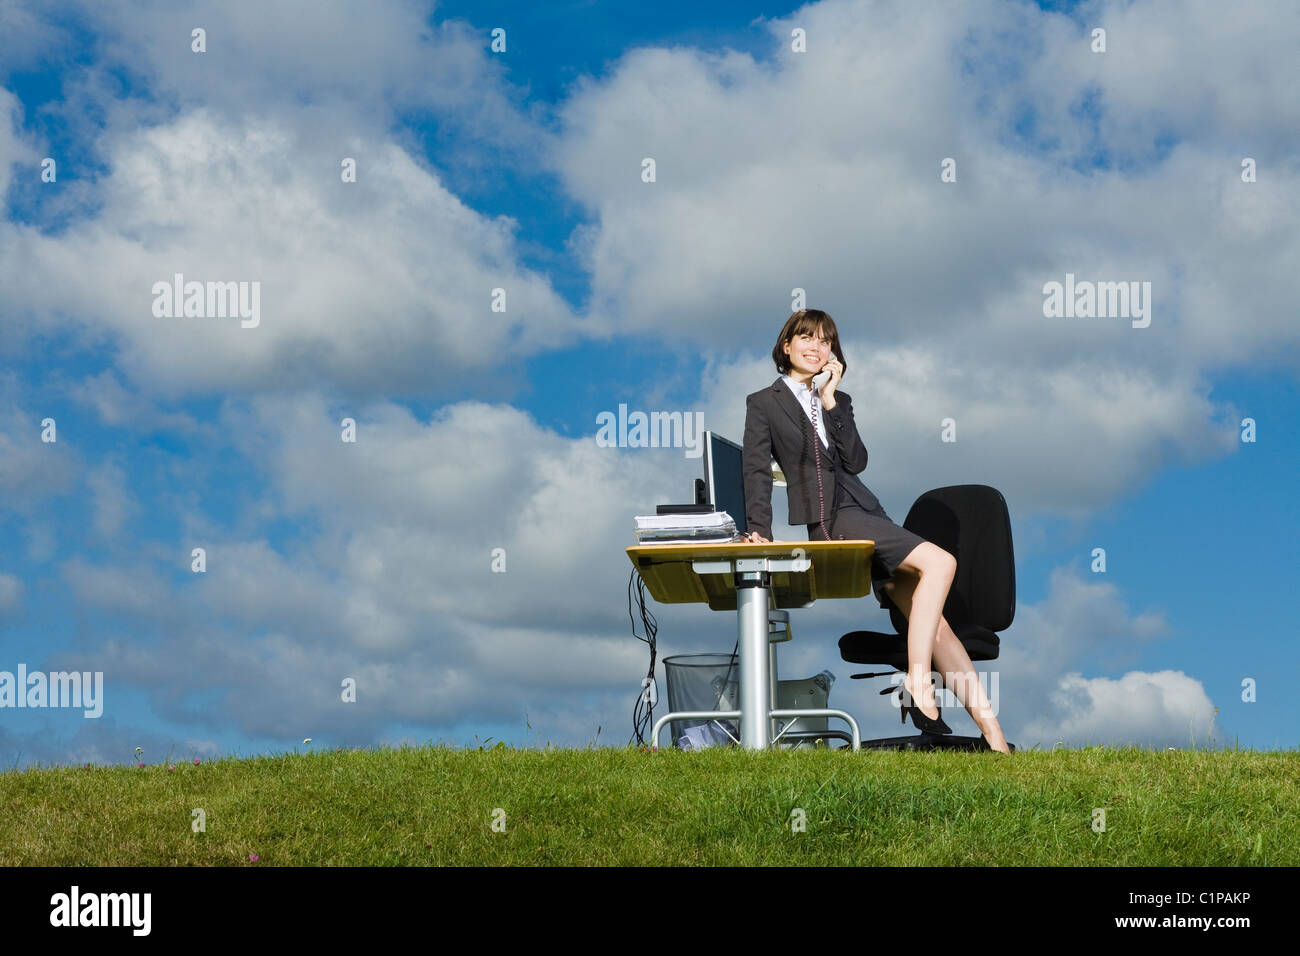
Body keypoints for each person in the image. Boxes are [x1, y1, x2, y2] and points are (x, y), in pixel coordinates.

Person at [740, 309, 1011, 754]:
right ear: (786, 346)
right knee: (942, 562)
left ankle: (995, 738)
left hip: (866, 511)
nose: (816, 347)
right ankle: (919, 681)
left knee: (939, 628)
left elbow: (856, 462)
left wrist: (829, 401)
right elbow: (755, 471)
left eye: (825, 341)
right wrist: (759, 531)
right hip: (833, 520)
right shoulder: (764, 403)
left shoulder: (837, 401)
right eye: (806, 338)